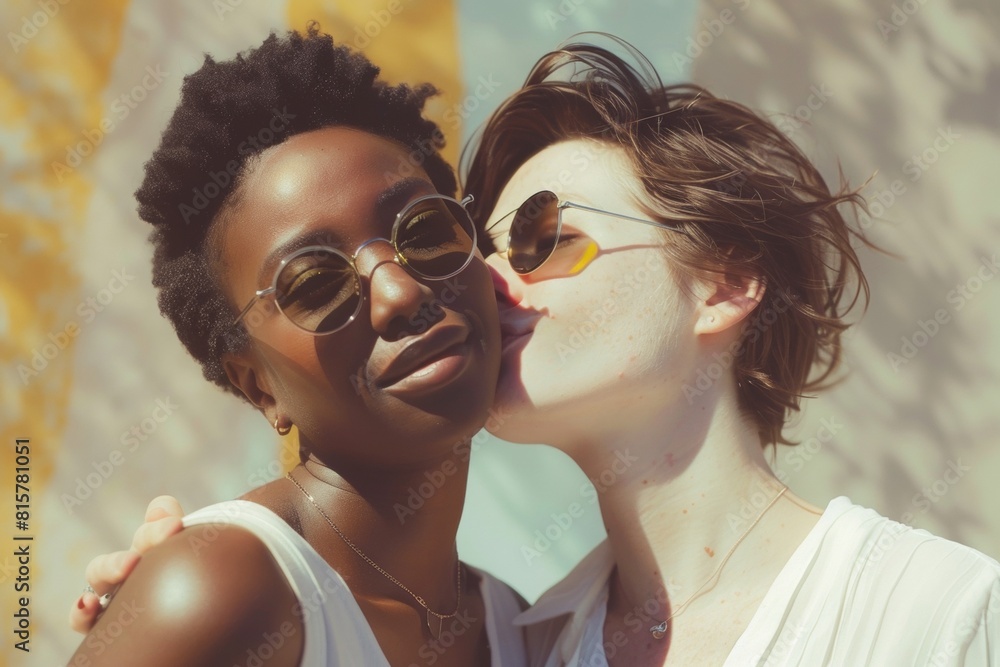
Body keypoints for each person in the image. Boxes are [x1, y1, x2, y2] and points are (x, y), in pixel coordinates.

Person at [74, 38, 1000, 666]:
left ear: (723, 283)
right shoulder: (527, 634)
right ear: (253, 383)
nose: (468, 284)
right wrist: (179, 600)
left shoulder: (940, 611)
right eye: (314, 284)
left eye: (544, 241)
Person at [68, 26, 527, 666]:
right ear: (258, 384)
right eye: (315, 283)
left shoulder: (519, 627)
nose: (399, 292)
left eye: (424, 230)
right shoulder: (223, 590)